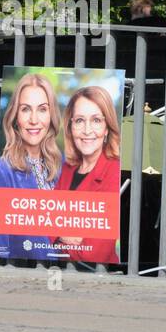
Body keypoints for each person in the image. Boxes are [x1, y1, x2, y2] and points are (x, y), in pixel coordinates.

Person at [53, 84, 121, 263]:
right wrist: (65, 236)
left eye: (96, 120)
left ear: (107, 128)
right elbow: (44, 231)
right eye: (80, 120)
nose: (87, 130)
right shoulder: (66, 170)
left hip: (97, 279)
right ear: (70, 126)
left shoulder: (113, 171)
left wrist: (58, 236)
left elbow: (93, 254)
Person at [0, 72, 62, 190]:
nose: (34, 120)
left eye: (42, 109)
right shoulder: (2, 170)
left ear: (51, 115)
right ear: (15, 116)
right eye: (25, 109)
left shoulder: (62, 167)